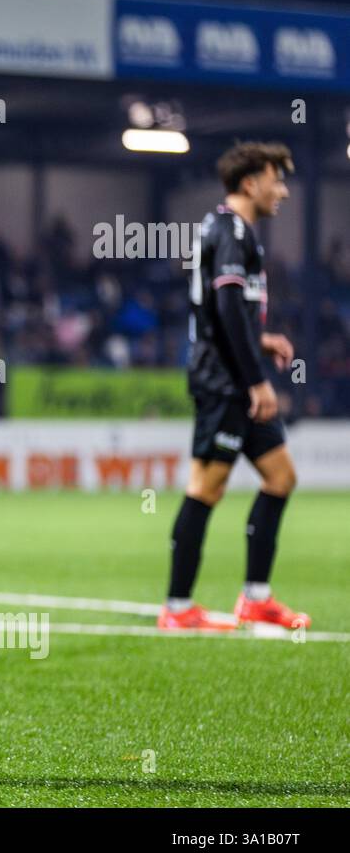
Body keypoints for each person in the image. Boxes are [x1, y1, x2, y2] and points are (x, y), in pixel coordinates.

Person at [159, 141, 308, 632]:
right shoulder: (231, 231)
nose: (282, 191)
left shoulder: (228, 230)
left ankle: (256, 599)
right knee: (206, 488)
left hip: (233, 374)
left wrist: (260, 339)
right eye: (276, 180)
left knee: (280, 478)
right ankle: (177, 608)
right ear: (250, 183)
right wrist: (256, 381)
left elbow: (222, 312)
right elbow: (223, 309)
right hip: (224, 382)